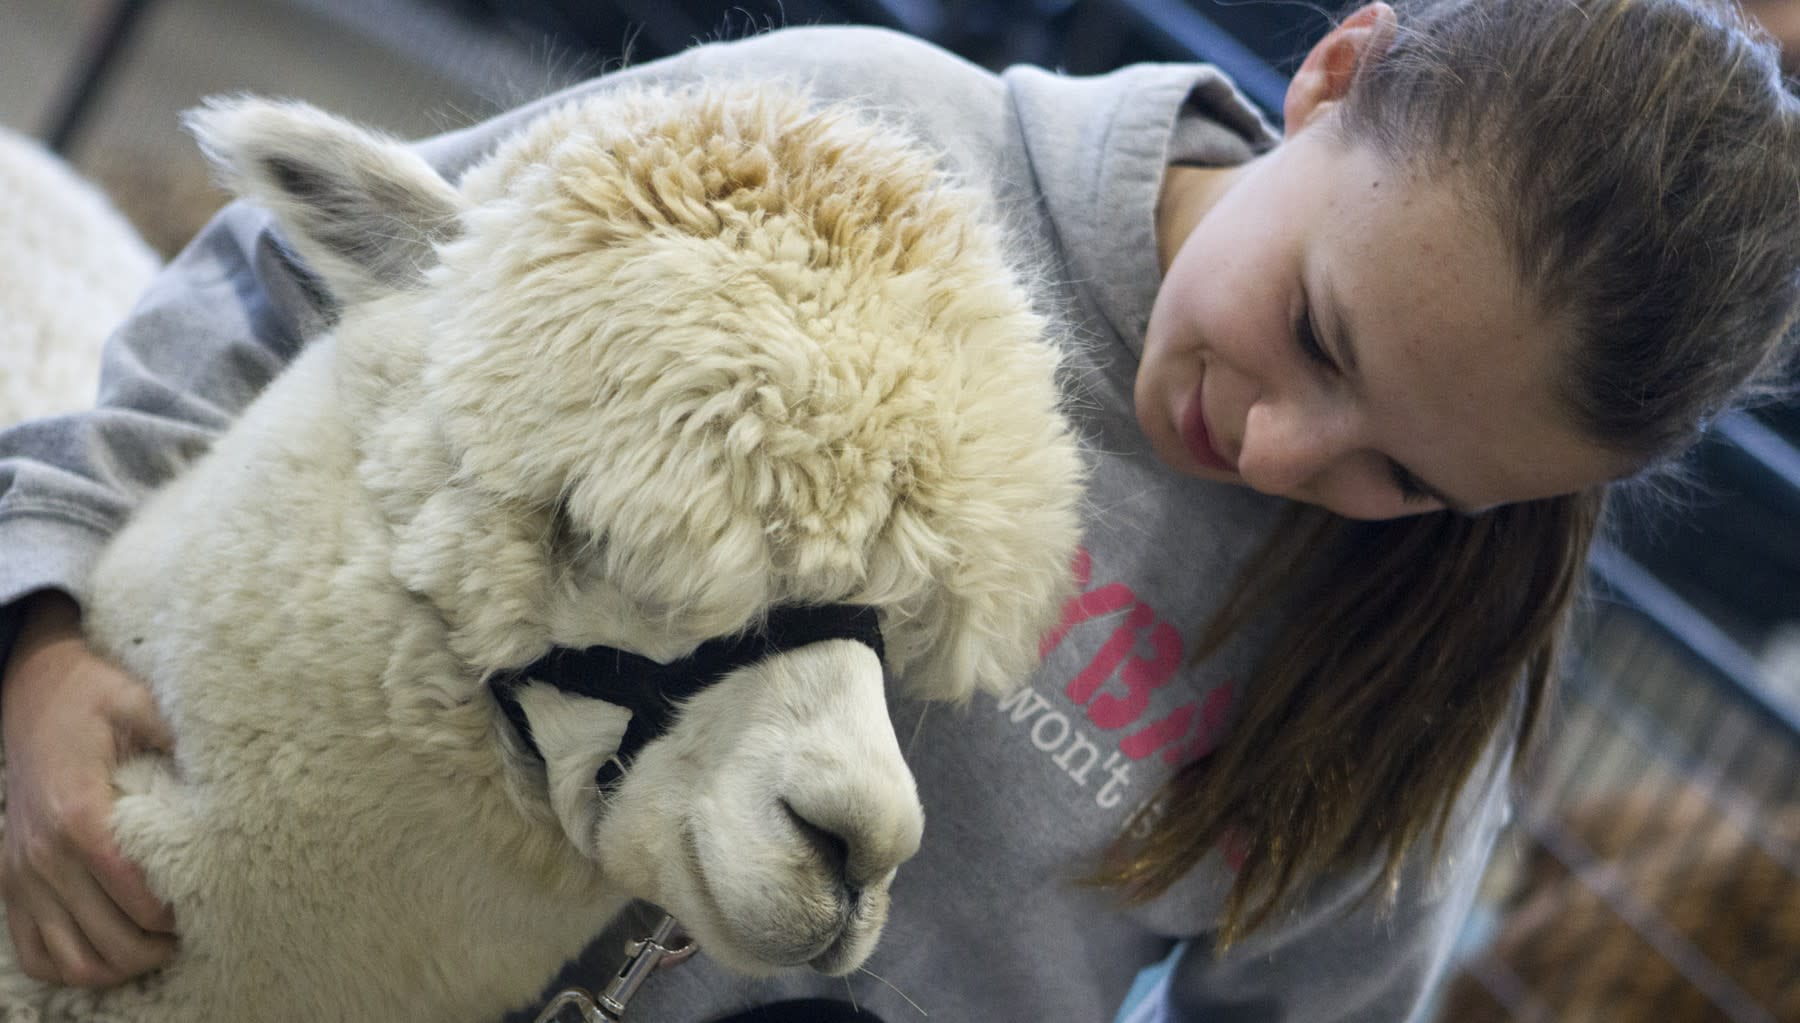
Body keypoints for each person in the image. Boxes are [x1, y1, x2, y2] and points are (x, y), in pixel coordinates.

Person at [1, 0, 1795, 1018]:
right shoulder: (853, 141)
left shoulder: (1423, 675)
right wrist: (41, 615)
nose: (1273, 448)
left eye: (1402, 477)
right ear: (1331, 76)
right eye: (1313, 329)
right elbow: (297, 279)